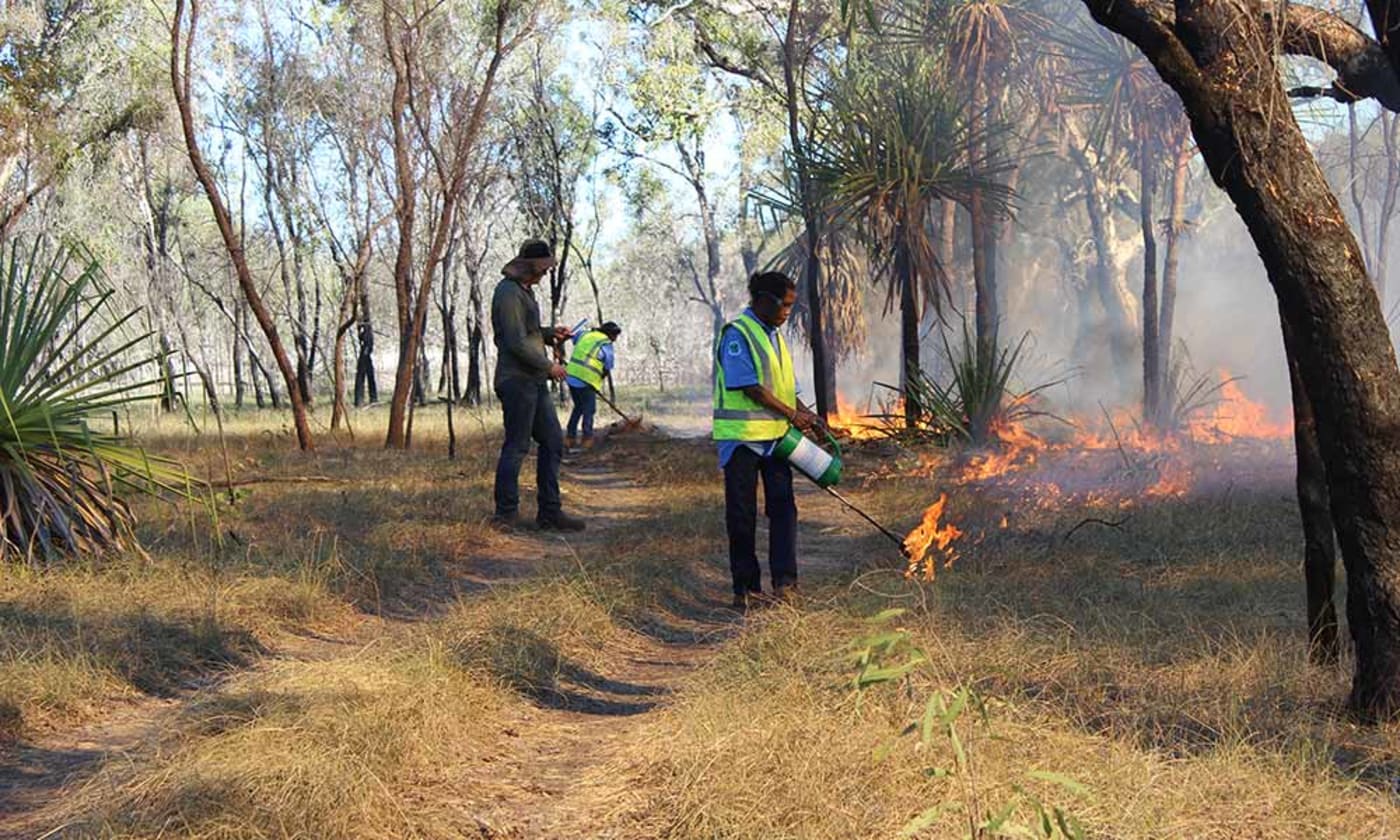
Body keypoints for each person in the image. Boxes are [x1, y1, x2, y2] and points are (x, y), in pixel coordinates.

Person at [713, 271, 825, 611]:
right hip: (742, 441)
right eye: (785, 305)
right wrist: (793, 416)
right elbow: (749, 386)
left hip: (776, 440)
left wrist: (809, 415)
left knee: (784, 511)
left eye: (792, 305)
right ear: (763, 299)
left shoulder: (775, 336)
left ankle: (785, 583)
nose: (788, 312)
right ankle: (745, 589)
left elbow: (786, 389)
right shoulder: (737, 334)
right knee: (742, 515)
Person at [490, 239, 586, 532]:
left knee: (553, 441)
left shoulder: (523, 292)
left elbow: (528, 333)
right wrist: (549, 366)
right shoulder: (507, 293)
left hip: (533, 381)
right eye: (541, 270)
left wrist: (549, 334)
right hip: (517, 382)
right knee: (517, 446)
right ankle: (505, 515)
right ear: (529, 266)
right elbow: (515, 341)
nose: (544, 276)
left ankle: (549, 513)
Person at [565, 321, 622, 450]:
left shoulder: (586, 334)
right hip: (586, 380)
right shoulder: (606, 343)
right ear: (610, 334)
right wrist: (598, 379)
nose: (615, 339)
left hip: (571, 377)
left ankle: (569, 438)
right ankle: (587, 439)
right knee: (589, 410)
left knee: (578, 407)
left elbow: (573, 336)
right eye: (615, 336)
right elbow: (607, 367)